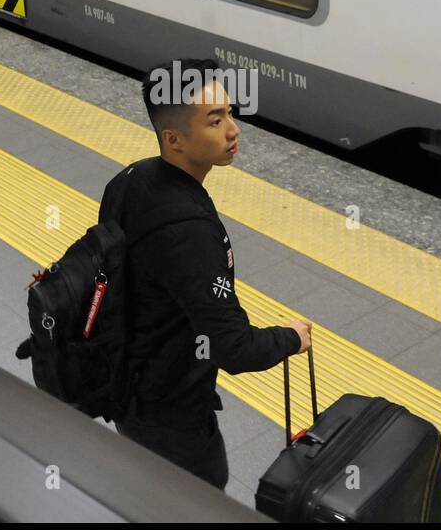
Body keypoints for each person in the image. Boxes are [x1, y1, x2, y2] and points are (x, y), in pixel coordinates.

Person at [99, 57, 312, 490]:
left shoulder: (130, 178)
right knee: (199, 496)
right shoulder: (189, 233)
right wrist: (291, 337)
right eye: (215, 121)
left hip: (126, 386)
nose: (233, 130)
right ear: (173, 138)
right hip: (172, 414)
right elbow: (233, 348)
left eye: (231, 113)